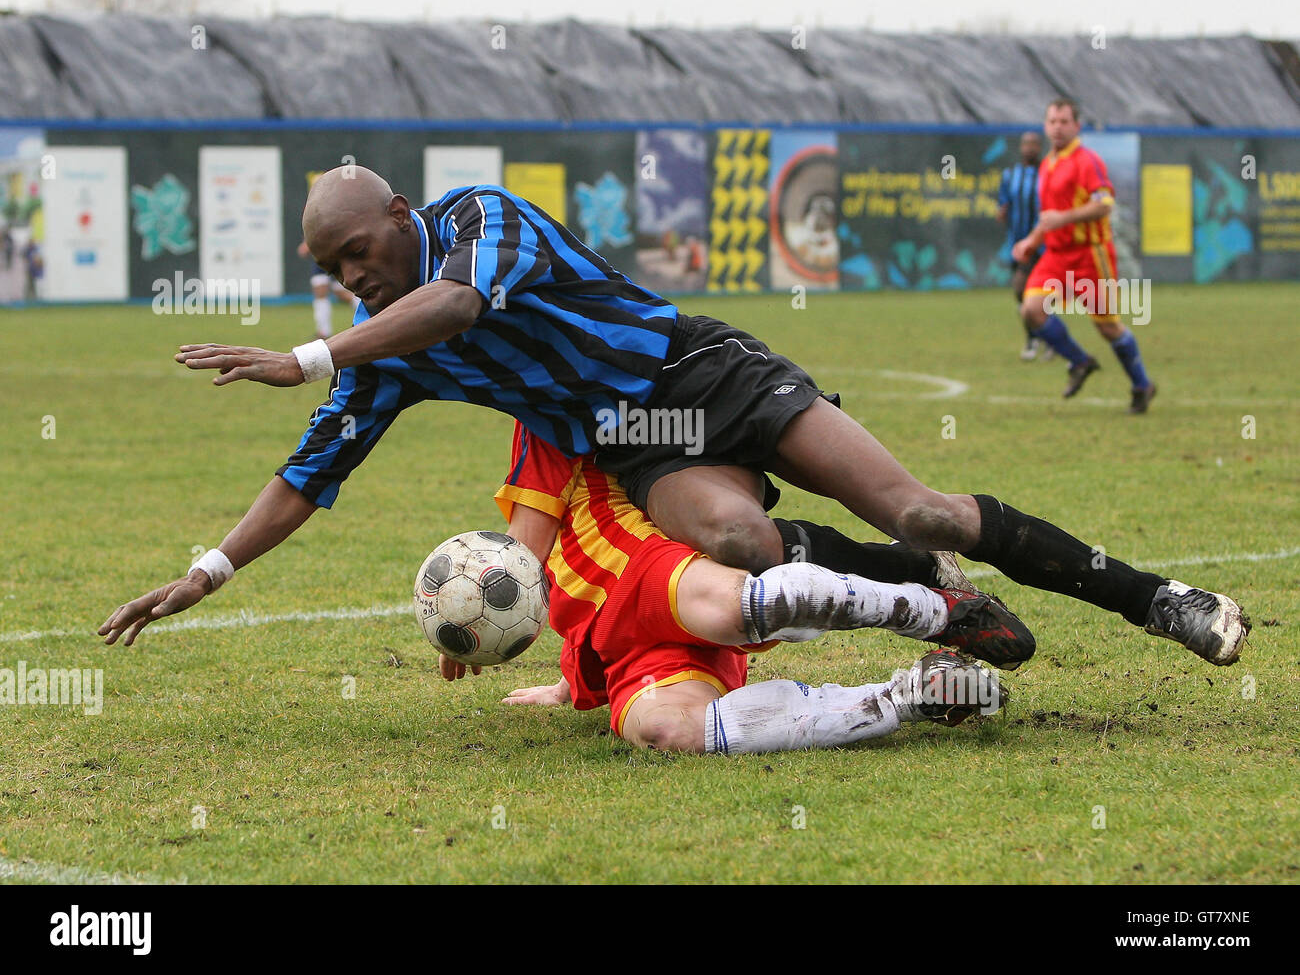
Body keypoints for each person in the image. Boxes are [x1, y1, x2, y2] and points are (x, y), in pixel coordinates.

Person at [99, 167, 1248, 671]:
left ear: (400, 212)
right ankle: (932, 602)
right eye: (333, 270)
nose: (356, 276)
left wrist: (302, 355)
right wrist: (202, 571)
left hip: (707, 372)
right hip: (635, 443)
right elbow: (308, 477)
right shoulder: (381, 355)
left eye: (360, 250)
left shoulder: (477, 223)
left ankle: (1162, 601)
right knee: (741, 545)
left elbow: (456, 302)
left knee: (920, 502)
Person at [440, 422, 1015, 755]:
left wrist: (473, 625)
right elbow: (561, 579)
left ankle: (936, 611)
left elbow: (520, 561)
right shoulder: (545, 402)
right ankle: (914, 696)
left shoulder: (554, 400)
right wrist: (569, 684)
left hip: (642, 568)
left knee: (730, 609)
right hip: (625, 644)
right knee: (666, 732)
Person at [1013, 98, 1157, 414]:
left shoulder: (1086, 161)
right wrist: (1031, 239)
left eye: (1064, 121)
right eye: (1052, 121)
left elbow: (1104, 204)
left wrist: (1063, 219)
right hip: (1055, 255)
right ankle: (1080, 362)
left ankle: (1142, 385)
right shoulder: (1048, 164)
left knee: (1107, 328)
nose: (1057, 127)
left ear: (1077, 126)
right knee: (1031, 310)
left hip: (1090, 257)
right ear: (1045, 125)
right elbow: (1048, 215)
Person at [997, 131, 1048, 360]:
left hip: (1040, 245)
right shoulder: (1010, 175)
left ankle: (1035, 339)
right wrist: (1003, 211)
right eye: (1026, 143)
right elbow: (1003, 203)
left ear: (1040, 147)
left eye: (1034, 144)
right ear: (1021, 147)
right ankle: (1043, 337)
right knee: (1025, 296)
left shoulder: (1047, 173)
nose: (1030, 148)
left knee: (1022, 288)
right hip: (1016, 244)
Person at [296, 238, 354, 339]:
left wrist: (307, 244)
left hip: (328, 254)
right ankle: (323, 331)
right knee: (333, 292)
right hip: (329, 255)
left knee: (333, 292)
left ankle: (372, 313)